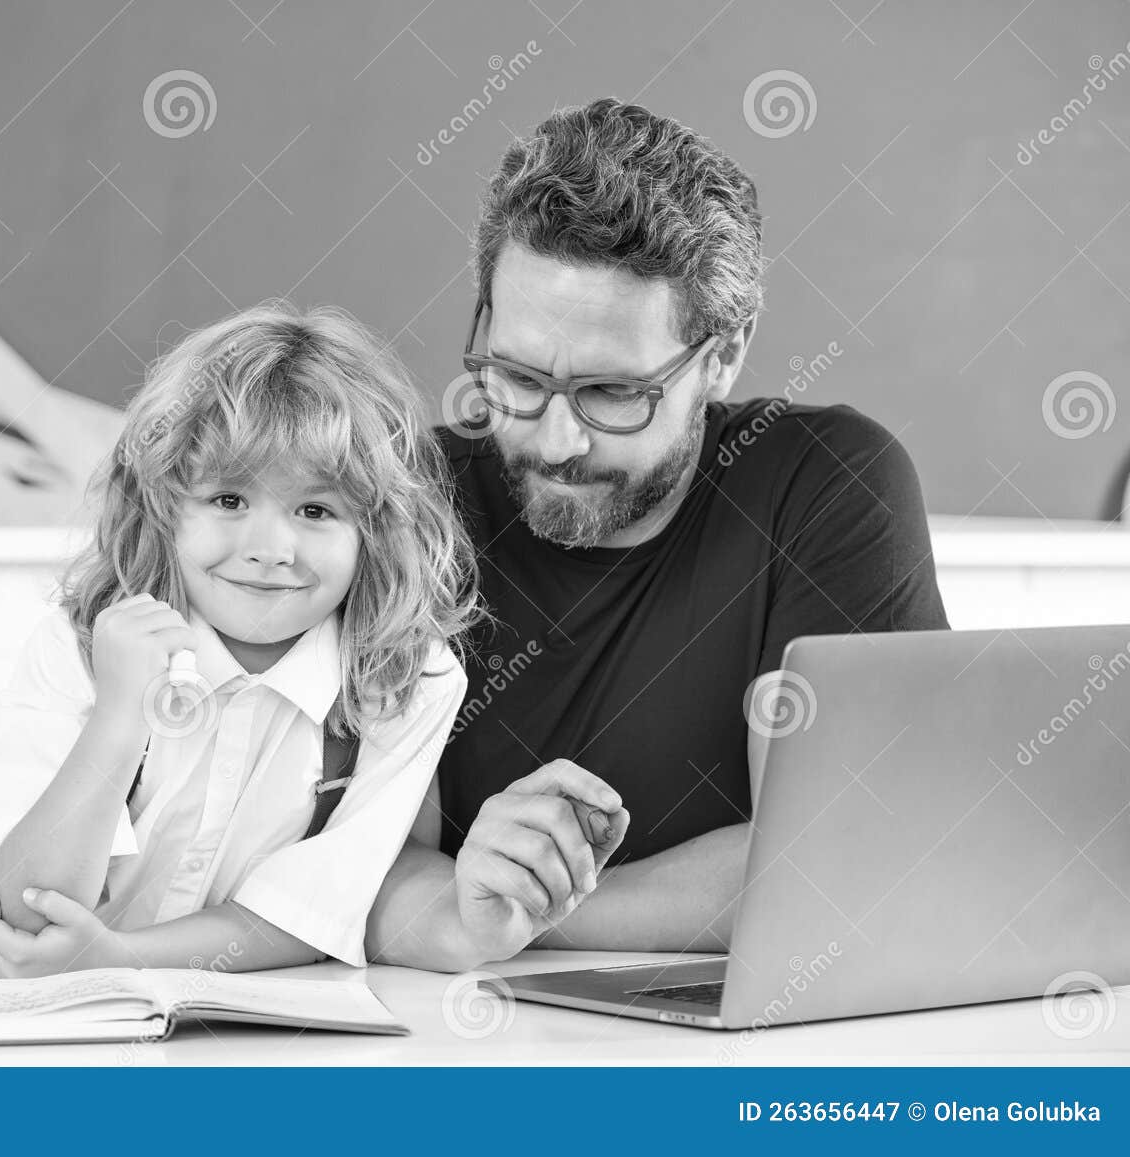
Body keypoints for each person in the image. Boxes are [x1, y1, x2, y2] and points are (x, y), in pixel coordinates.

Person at [365, 98, 949, 970]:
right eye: (516, 376)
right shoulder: (406, 497)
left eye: (612, 394)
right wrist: (448, 902)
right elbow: (330, 878)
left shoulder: (826, 485)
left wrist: (506, 909)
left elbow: (850, 856)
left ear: (722, 355)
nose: (556, 441)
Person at [0, 302, 618, 977]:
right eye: (229, 500)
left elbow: (307, 914)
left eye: (315, 510)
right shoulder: (84, 646)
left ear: (373, 532)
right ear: (165, 506)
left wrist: (119, 959)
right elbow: (24, 914)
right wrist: (118, 718)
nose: (269, 549)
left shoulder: (405, 685)